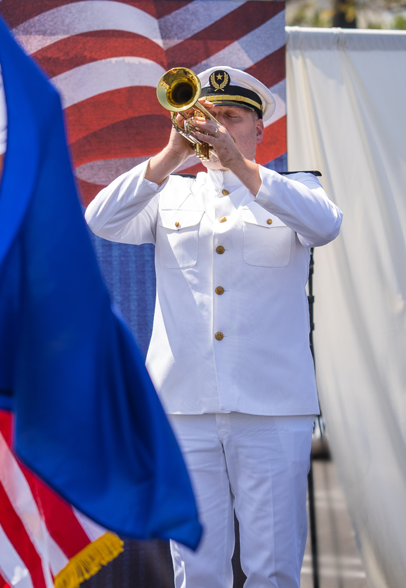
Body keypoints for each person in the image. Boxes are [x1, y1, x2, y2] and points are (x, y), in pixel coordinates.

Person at [84, 66, 343, 588]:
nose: (218, 126)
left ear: (258, 128)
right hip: (185, 405)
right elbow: (100, 219)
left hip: (272, 407)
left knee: (272, 567)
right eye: (209, 116)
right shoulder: (171, 195)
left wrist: (239, 164)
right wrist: (172, 154)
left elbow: (325, 226)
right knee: (197, 568)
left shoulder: (293, 188)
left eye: (232, 116)